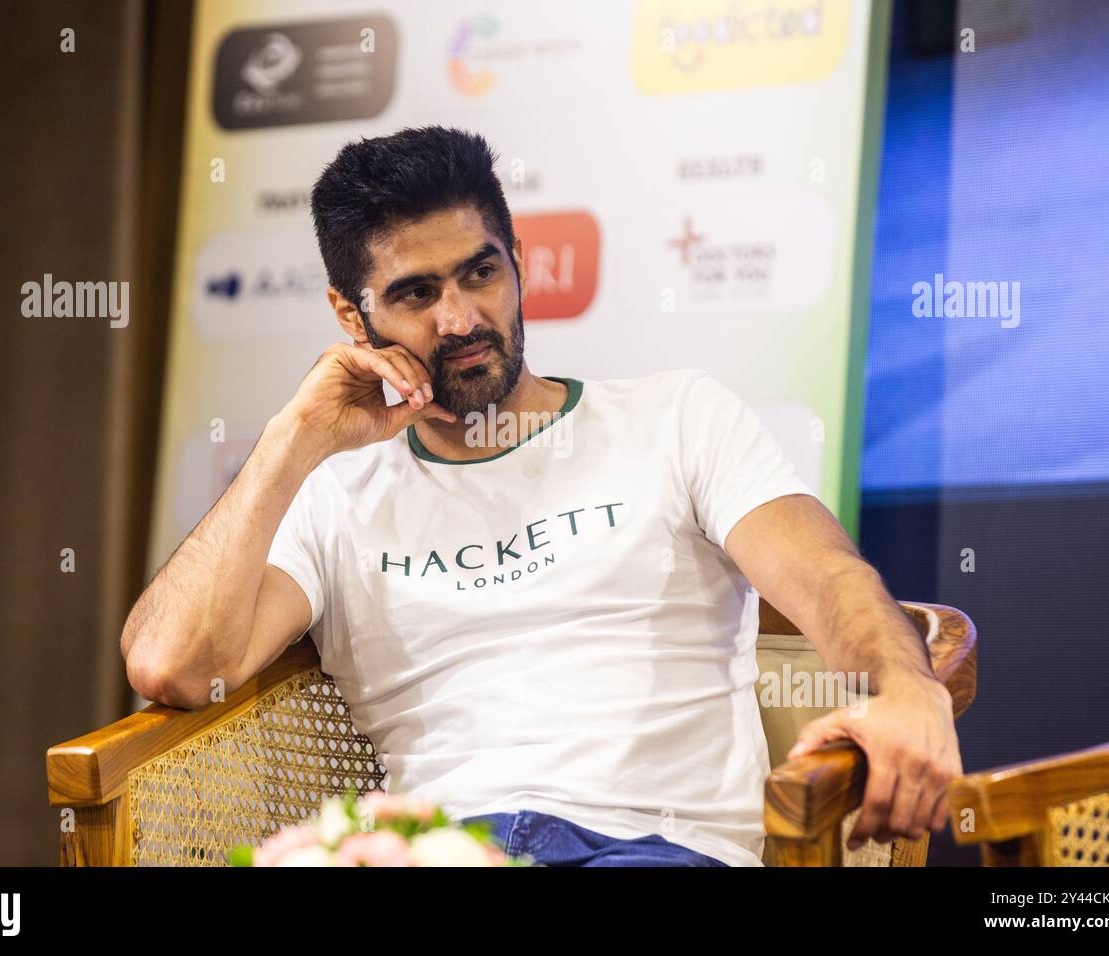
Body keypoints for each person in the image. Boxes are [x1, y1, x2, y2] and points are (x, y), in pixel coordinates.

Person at [121, 125, 961, 867]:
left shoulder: (675, 418)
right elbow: (170, 664)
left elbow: (825, 575)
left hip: (655, 849)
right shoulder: (335, 495)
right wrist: (289, 441)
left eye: (480, 273)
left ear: (517, 266)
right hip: (448, 849)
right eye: (417, 294)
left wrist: (907, 689)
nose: (459, 319)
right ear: (351, 315)